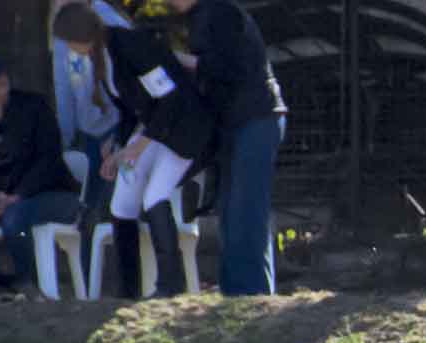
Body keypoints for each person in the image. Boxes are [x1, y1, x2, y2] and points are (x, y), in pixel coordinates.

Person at [53, 3, 215, 298]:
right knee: (122, 205)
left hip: (184, 129)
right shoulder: (101, 56)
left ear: (79, 35)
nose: (68, 50)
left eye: (68, 42)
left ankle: (169, 285)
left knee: (155, 195)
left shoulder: (131, 45)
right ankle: (127, 291)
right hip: (154, 129)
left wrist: (139, 144)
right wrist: (118, 146)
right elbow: (130, 109)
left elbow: (170, 99)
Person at [166, 0, 287, 296]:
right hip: (235, 123)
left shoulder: (222, 13)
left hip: (255, 118)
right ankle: (238, 291)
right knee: (232, 210)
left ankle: (250, 292)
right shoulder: (201, 17)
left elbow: (235, 66)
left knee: (246, 210)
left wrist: (186, 63)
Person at [0, 53, 81, 289]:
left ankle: (28, 283)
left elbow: (49, 160)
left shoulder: (35, 107)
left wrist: (18, 195)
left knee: (14, 218)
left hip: (52, 194)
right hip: (4, 198)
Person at [51, 0, 130, 231]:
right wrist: (64, 141)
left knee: (115, 210)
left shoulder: (113, 26)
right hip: (88, 133)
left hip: (118, 129)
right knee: (88, 214)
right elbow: (63, 87)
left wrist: (119, 139)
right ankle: (91, 266)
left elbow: (127, 92)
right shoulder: (63, 28)